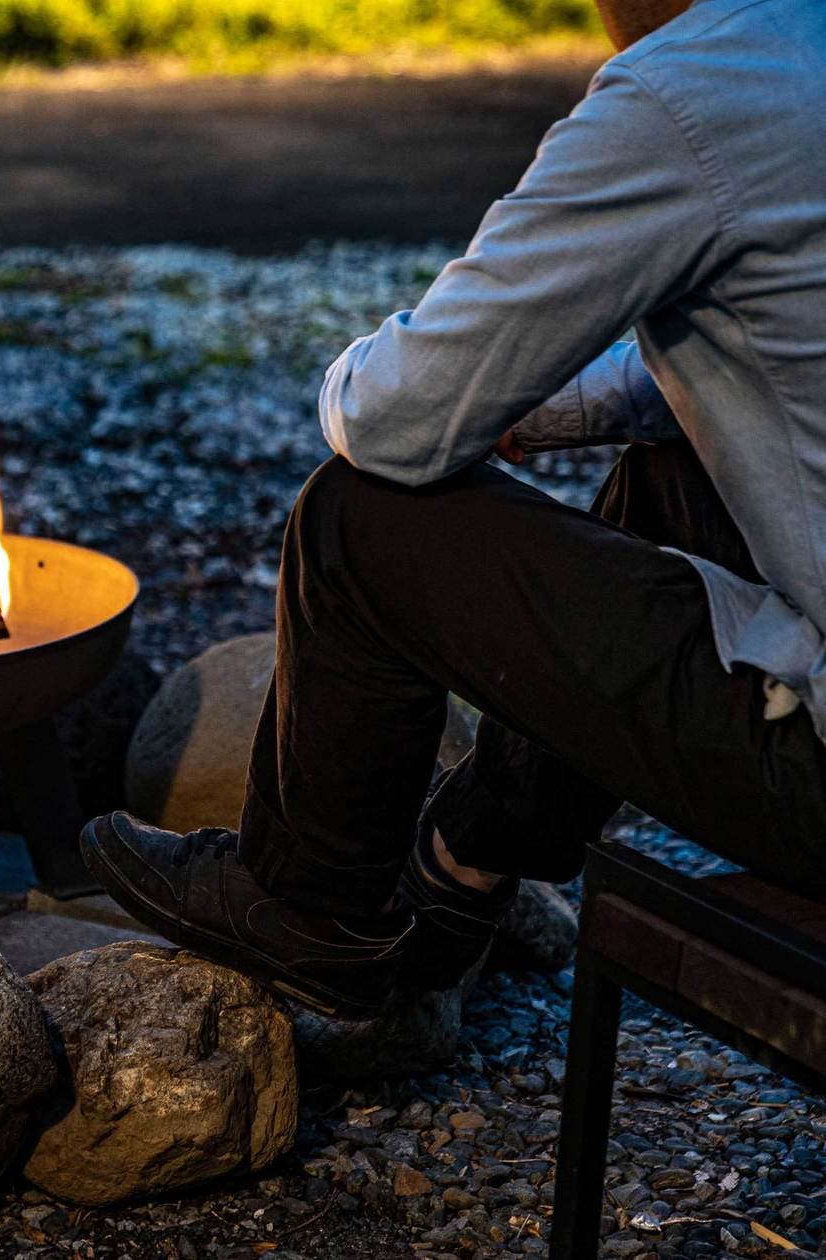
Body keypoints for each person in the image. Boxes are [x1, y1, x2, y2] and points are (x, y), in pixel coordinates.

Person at [81, 0, 826, 1020]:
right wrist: (554, 402)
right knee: (681, 467)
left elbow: (399, 419)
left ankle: (309, 910)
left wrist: (362, 374)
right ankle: (467, 862)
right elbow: (779, 362)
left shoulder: (692, 93)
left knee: (361, 520)